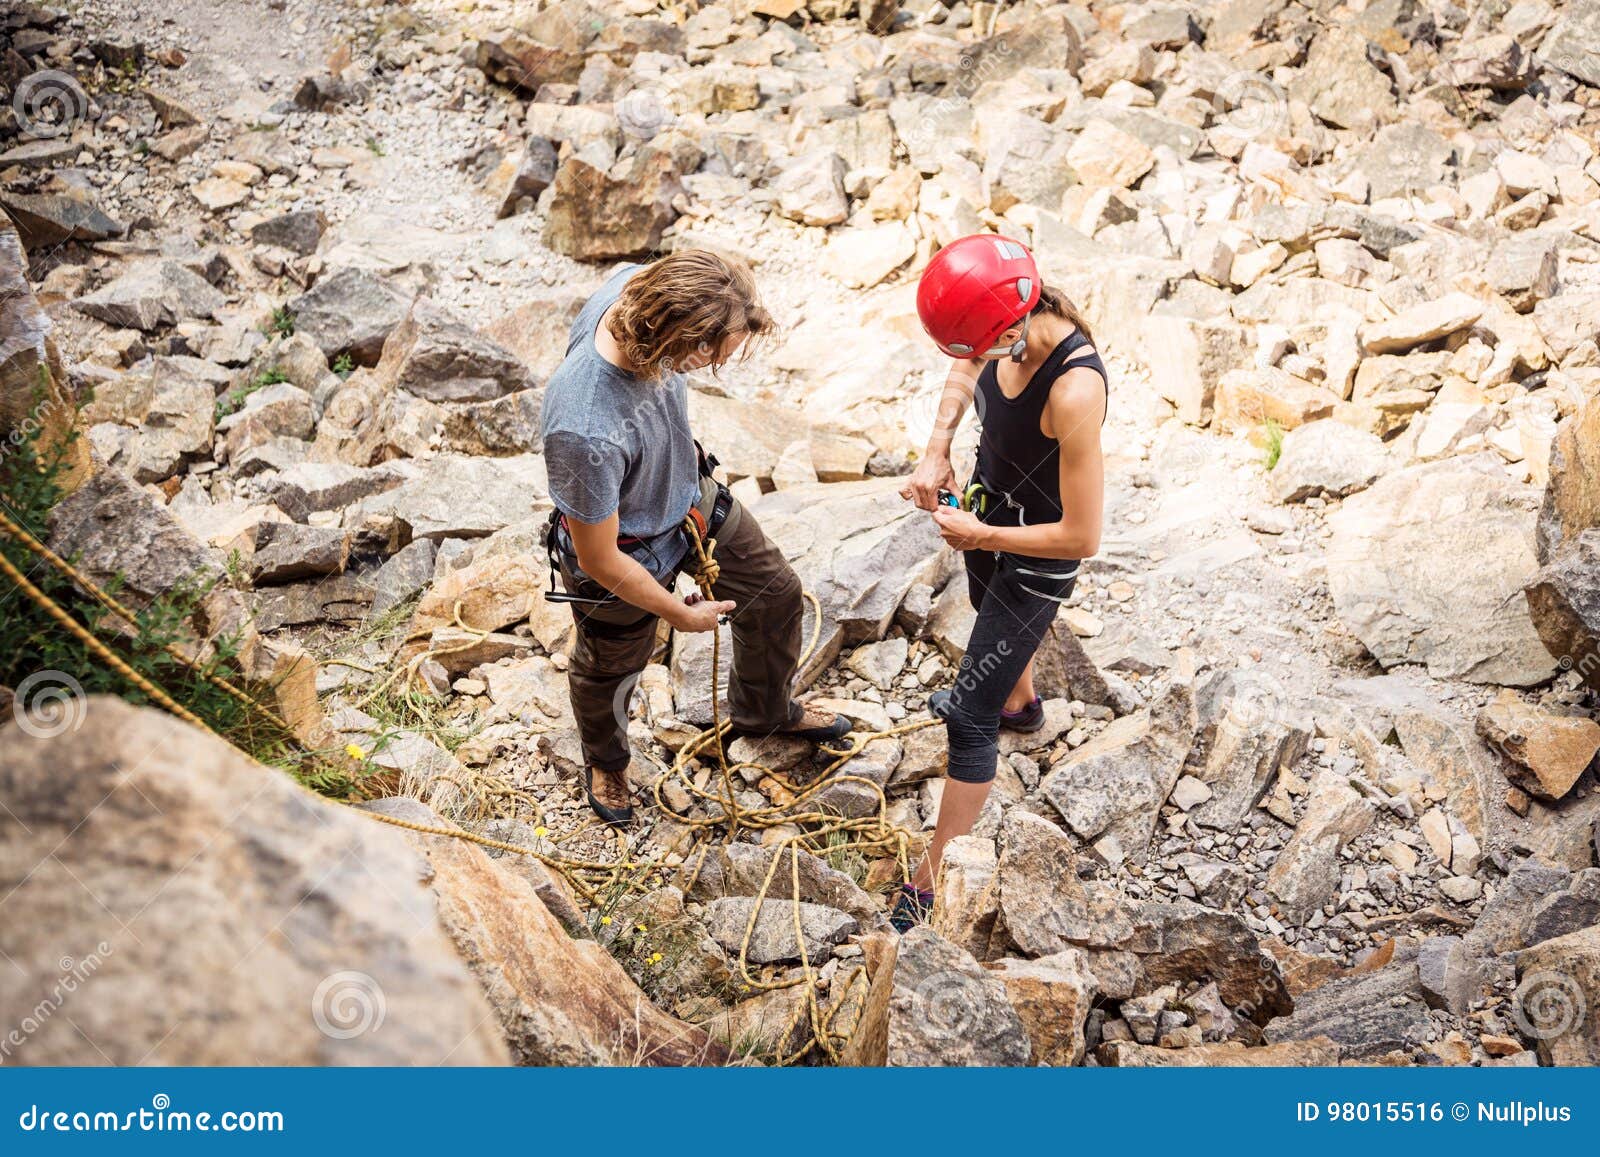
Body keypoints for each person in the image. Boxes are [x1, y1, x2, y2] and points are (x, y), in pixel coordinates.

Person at [539, 249, 850, 827]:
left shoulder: (639, 286)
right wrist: (676, 616)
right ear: (681, 339)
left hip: (687, 500)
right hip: (625, 546)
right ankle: (606, 760)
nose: (713, 368)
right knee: (613, 667)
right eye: (714, 356)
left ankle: (764, 712)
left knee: (776, 595)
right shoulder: (583, 427)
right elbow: (600, 558)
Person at [892, 234, 1107, 931]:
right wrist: (936, 451)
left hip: (1037, 553)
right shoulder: (999, 334)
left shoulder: (1074, 390)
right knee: (983, 604)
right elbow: (964, 373)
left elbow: (1082, 536)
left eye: (976, 347)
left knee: (969, 715)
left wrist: (982, 536)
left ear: (1010, 331)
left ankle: (931, 880)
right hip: (987, 506)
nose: (968, 362)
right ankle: (1025, 707)